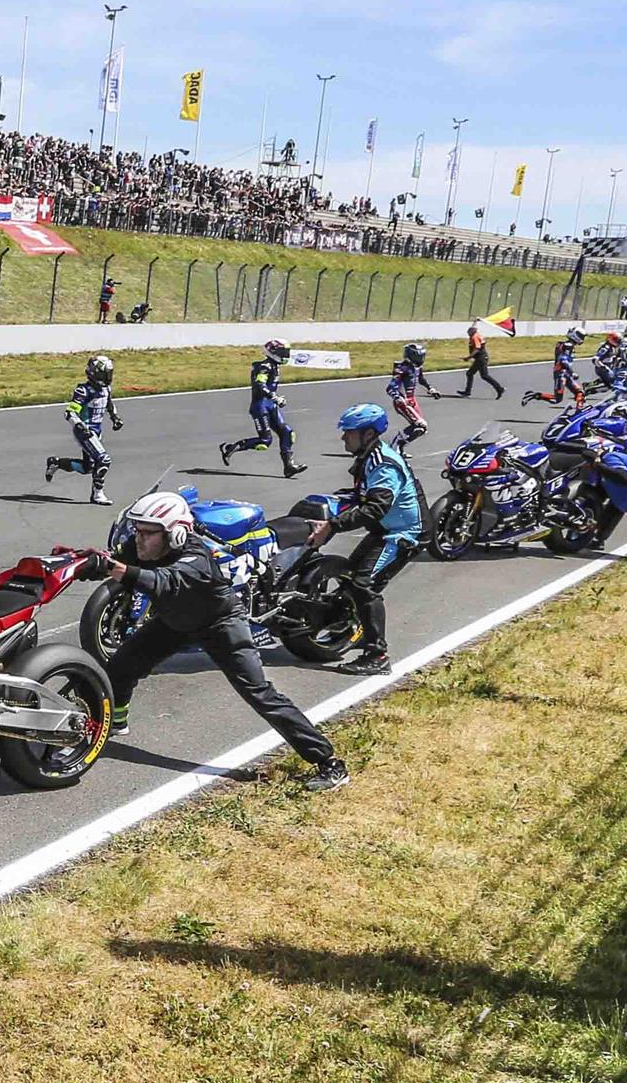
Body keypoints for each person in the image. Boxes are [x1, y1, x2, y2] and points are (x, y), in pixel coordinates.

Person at [99, 492, 348, 791]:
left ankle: (329, 762)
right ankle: (115, 722)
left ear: (175, 533)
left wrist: (119, 570)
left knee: (260, 694)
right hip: (176, 621)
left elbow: (162, 581)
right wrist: (85, 561)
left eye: (148, 533)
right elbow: (111, 562)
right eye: (137, 531)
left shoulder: (196, 557)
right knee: (121, 666)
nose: (138, 539)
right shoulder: (141, 547)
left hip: (220, 625)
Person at [304, 403, 422, 676]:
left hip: (403, 533)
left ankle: (377, 655)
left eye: (349, 432)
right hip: (385, 528)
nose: (343, 437)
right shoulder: (368, 457)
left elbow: (375, 508)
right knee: (349, 577)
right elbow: (363, 496)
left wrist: (332, 526)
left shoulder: (383, 463)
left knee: (363, 585)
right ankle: (345, 626)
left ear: (368, 434)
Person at [44, 355, 123, 506]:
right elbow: (70, 412)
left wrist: (115, 417)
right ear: (95, 374)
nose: (108, 377)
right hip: (84, 431)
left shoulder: (106, 389)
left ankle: (56, 463)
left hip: (96, 431)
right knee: (104, 459)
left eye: (109, 373)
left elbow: (109, 403)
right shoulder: (83, 390)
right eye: (105, 373)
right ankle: (97, 494)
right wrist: (79, 425)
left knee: (87, 468)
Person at [221, 339, 307, 476]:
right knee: (265, 441)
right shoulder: (264, 366)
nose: (285, 355)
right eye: (282, 352)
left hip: (271, 406)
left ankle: (289, 466)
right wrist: (275, 397)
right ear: (273, 352)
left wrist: (276, 399)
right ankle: (231, 448)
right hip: (260, 407)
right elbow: (260, 384)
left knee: (287, 433)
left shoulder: (275, 365)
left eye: (286, 352)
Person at [384, 343, 431, 451]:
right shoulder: (402, 368)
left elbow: (421, 379)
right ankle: (394, 444)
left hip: (412, 401)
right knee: (421, 425)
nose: (422, 359)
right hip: (403, 402)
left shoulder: (417, 368)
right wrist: (398, 398)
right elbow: (390, 388)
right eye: (419, 356)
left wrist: (430, 389)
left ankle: (399, 447)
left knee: (420, 428)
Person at [526, 327, 585, 407]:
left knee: (580, 392)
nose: (582, 338)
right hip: (562, 373)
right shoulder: (568, 346)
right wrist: (572, 372)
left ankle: (579, 411)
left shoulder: (564, 344)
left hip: (565, 373)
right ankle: (536, 395)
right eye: (581, 336)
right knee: (557, 399)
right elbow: (563, 360)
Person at [460, 319, 507, 398]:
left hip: (481, 358)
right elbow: (474, 327)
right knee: (483, 375)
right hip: (482, 358)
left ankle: (468, 392)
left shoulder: (475, 337)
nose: (468, 333)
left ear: (472, 332)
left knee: (472, 373)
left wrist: (469, 357)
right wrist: (476, 321)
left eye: (469, 332)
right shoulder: (476, 334)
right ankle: (499, 389)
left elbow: (477, 348)